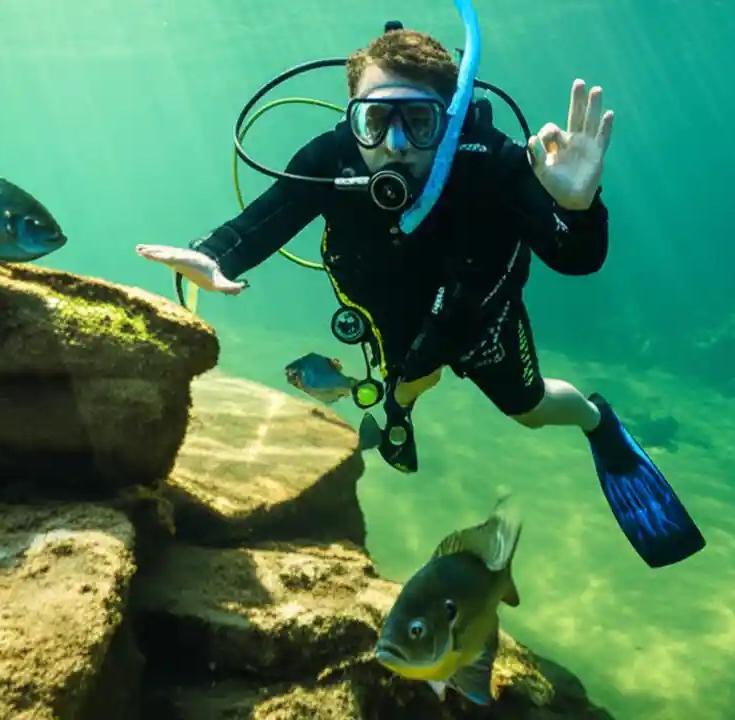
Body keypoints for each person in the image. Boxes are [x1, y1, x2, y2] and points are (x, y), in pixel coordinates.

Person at [136, 24, 705, 568]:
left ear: (451, 119)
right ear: (351, 118)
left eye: (420, 122)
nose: (396, 145)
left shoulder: (492, 161)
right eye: (376, 119)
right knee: (407, 374)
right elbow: (263, 219)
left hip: (480, 317)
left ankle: (594, 418)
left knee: (528, 411)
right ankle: (400, 402)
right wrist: (213, 256)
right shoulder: (331, 159)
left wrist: (580, 209)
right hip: (388, 313)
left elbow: (575, 261)